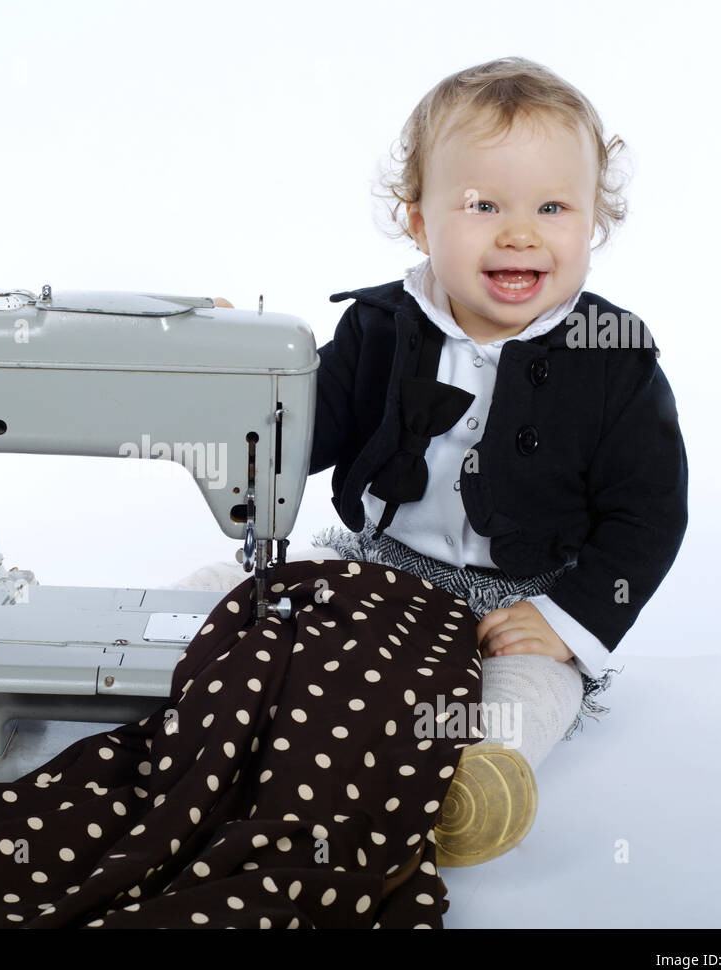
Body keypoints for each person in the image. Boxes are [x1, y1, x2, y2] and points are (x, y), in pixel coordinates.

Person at [193, 56, 688, 865]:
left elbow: (649, 514)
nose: (520, 232)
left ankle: (476, 783)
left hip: (526, 595)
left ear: (593, 221)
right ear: (419, 221)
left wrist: (568, 621)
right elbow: (305, 432)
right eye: (483, 205)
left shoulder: (614, 358)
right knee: (224, 588)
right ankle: (162, 663)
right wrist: (235, 379)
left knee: (533, 689)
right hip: (382, 564)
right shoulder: (381, 327)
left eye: (553, 207)